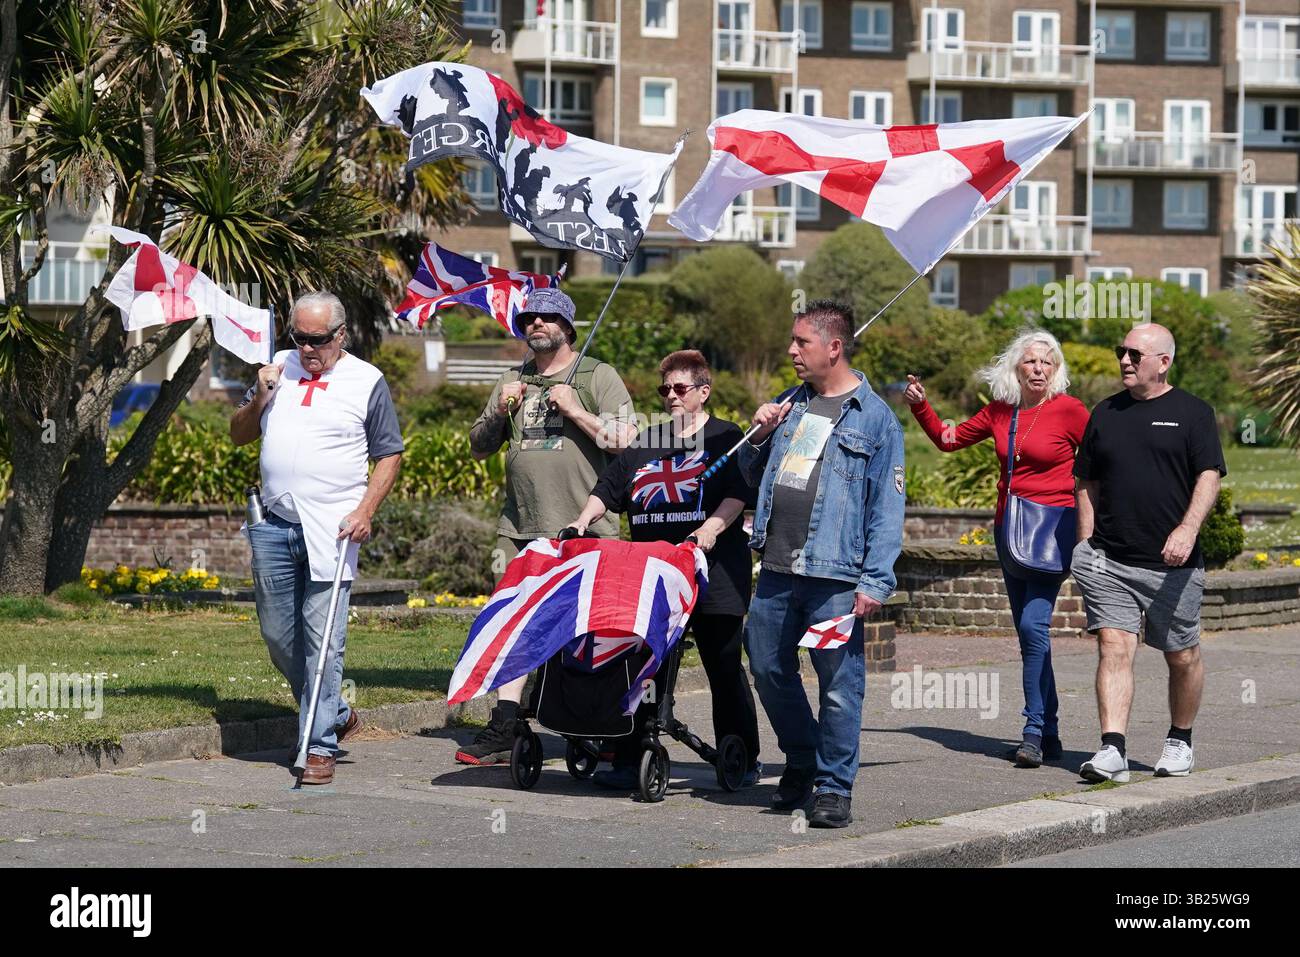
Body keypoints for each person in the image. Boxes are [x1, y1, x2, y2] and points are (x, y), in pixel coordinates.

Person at [738, 300, 905, 828]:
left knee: (838, 683)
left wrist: (876, 581)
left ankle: (833, 787)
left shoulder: (875, 418)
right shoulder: (792, 405)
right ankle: (803, 757)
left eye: (801, 343)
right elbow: (745, 474)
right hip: (779, 569)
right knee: (766, 666)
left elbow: (887, 507)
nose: (791, 351)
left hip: (835, 577)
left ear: (834, 347)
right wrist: (759, 432)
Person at [457, 286, 637, 765]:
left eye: (547, 318)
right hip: (519, 526)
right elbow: (477, 446)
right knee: (512, 623)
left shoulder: (597, 375)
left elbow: (626, 441)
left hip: (584, 528)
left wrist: (575, 409)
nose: (536, 323)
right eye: (529, 317)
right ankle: (506, 723)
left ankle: (596, 725)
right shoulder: (511, 379)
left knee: (585, 630)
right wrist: (500, 410)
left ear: (567, 328)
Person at [230, 291, 405, 785]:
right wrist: (260, 396)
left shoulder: (366, 380)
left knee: (322, 642)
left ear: (341, 335)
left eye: (319, 340)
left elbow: (389, 454)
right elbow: (238, 433)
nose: (308, 349)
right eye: (299, 338)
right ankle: (338, 712)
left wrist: (366, 510)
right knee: (279, 638)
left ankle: (319, 744)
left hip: (333, 529)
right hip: (275, 525)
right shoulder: (276, 369)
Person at [567, 350, 762, 789]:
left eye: (680, 388)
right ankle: (630, 755)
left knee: (723, 666)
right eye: (665, 389)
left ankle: (742, 756)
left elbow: (737, 492)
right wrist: (581, 521)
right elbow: (609, 488)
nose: (671, 396)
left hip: (711, 573)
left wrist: (710, 529)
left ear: (703, 391)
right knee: (642, 665)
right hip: (653, 574)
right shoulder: (647, 442)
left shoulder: (725, 437)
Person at [904, 328, 1090, 768]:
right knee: (1032, 638)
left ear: (1057, 369)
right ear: (1016, 368)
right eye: (1031, 361)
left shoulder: (1070, 411)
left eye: (1048, 361)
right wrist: (920, 407)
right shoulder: (1000, 412)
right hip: (1010, 531)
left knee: (1032, 628)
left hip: (1053, 532)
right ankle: (1051, 731)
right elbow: (948, 440)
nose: (1039, 368)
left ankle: (1031, 731)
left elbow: (1102, 462)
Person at [1071, 322, 1225, 783]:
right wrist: (1086, 544)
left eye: (1136, 354)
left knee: (1181, 656)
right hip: (1111, 560)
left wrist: (1188, 529)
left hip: (1173, 565)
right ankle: (1112, 749)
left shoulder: (1193, 413)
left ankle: (1180, 740)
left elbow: (1209, 477)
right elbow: (1087, 483)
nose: (1125, 361)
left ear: (1164, 361)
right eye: (1122, 352)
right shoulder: (1105, 412)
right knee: (1114, 646)